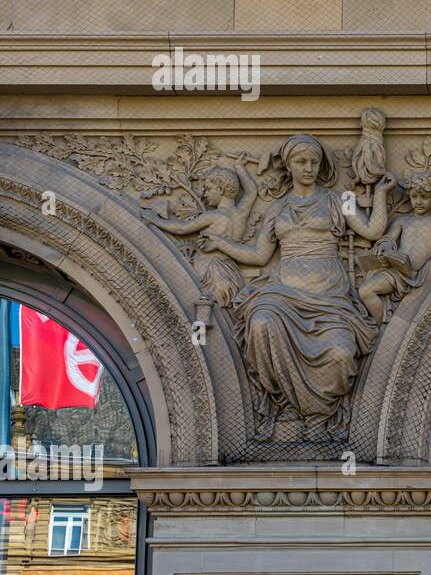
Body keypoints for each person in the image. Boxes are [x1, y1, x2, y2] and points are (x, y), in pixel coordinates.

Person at [200, 135, 394, 439]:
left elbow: (372, 229)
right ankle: (288, 403)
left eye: (314, 162)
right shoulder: (278, 207)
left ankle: (318, 412)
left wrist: (380, 194)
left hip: (329, 296)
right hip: (282, 292)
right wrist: (221, 243)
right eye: (301, 162)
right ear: (289, 166)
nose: (309, 168)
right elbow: (259, 255)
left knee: (342, 352)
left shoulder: (337, 199)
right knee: (261, 321)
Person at [141, 156, 259, 307]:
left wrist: (155, 220)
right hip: (230, 271)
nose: (205, 194)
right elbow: (251, 191)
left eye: (209, 188)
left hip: (212, 271)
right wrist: (240, 168)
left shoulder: (213, 216)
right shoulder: (241, 213)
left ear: (221, 189)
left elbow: (182, 228)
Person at [358, 172, 431, 322]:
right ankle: (383, 324)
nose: (418, 202)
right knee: (365, 291)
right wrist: (385, 246)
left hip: (420, 273)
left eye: (424, 197)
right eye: (414, 196)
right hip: (397, 272)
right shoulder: (402, 220)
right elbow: (389, 239)